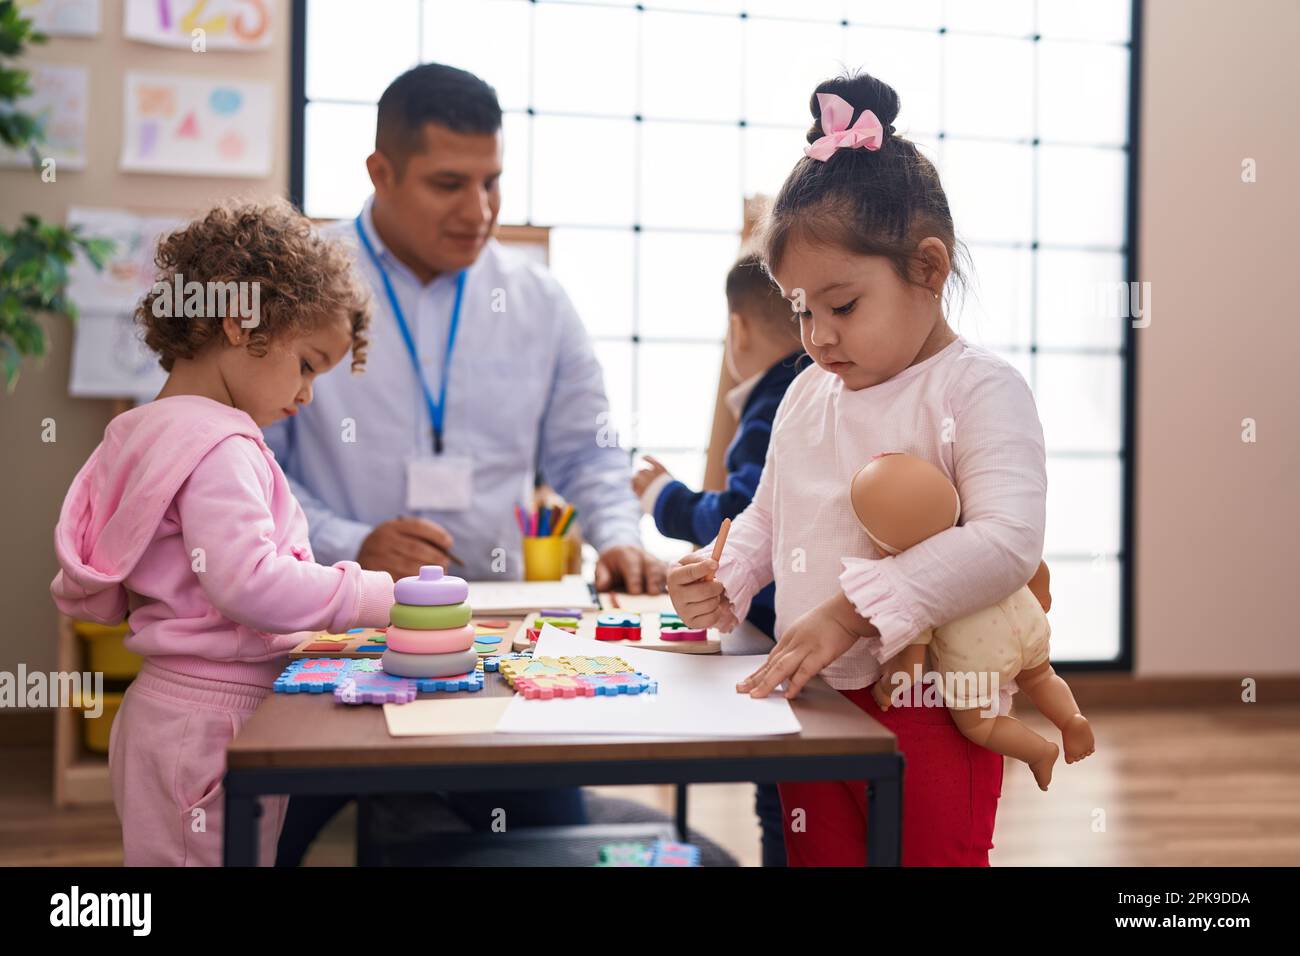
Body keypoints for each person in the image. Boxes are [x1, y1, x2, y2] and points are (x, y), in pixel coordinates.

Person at [264, 63, 665, 860]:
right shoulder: (298, 286)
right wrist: (350, 542)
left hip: (497, 641)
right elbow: (250, 466)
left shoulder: (538, 300)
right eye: (449, 183)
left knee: (551, 842)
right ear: (380, 173)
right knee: (256, 837)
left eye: (492, 182)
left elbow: (586, 451)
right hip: (332, 631)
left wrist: (619, 534)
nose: (478, 211)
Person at [667, 71, 1049, 866]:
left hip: (936, 703)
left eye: (841, 307)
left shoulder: (978, 388)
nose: (815, 336)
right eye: (800, 308)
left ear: (928, 269)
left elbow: (1007, 539)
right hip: (808, 691)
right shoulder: (810, 392)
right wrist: (724, 575)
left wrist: (849, 613)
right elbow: (771, 517)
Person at [50, 200, 392, 865]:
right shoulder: (221, 445)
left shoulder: (148, 430)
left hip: (172, 714)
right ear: (243, 324)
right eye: (307, 364)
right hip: (206, 722)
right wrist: (369, 594)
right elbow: (247, 583)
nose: (307, 395)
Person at [632, 252, 805, 866]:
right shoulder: (814, 386)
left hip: (784, 634)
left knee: (783, 795)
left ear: (737, 330)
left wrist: (665, 499)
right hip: (790, 630)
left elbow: (741, 511)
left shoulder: (775, 401)